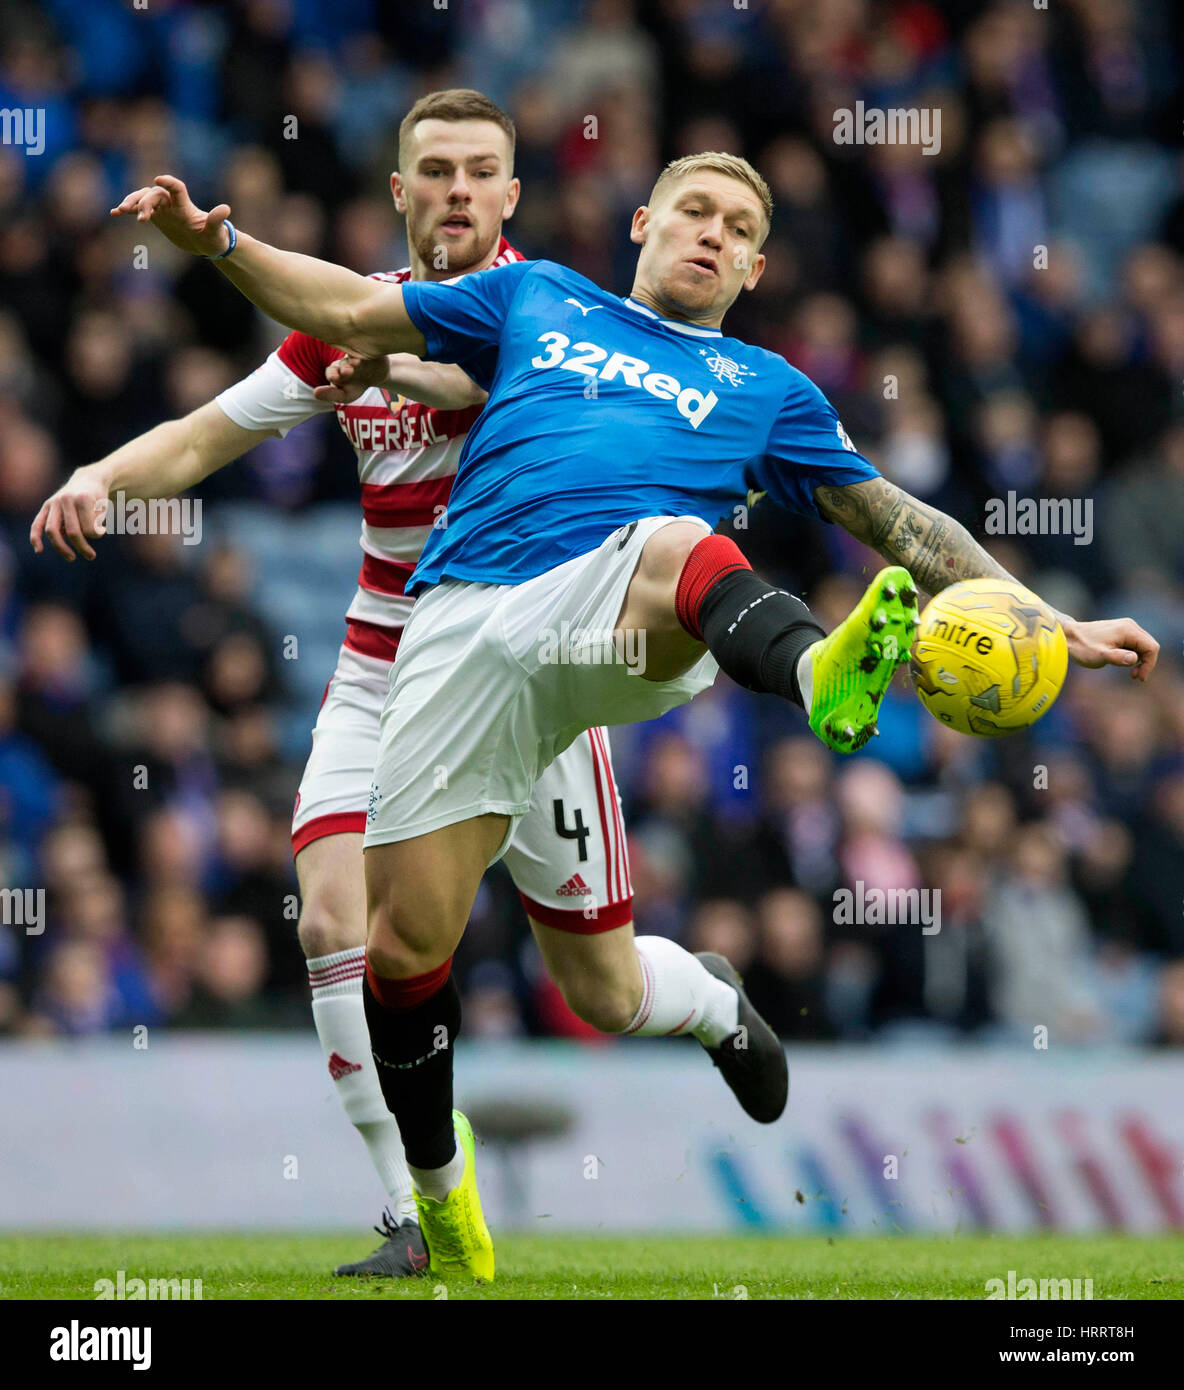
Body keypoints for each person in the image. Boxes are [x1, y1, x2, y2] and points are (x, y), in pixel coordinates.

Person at [109, 149, 1160, 1282]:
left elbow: (898, 522)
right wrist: (220, 245)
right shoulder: (534, 296)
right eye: (693, 211)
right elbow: (350, 308)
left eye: (737, 226)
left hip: (618, 619)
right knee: (431, 959)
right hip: (460, 632)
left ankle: (819, 678)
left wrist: (1044, 620)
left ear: (754, 266)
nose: (709, 232)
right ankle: (467, 1175)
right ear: (645, 221)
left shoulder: (767, 389)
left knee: (672, 543)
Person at [32, 90, 638, 1280]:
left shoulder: (556, 313)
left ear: (512, 196)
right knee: (328, 918)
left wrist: (416, 365)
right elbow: (208, 434)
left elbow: (512, 388)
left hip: (530, 680)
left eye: (480, 172)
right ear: (400, 192)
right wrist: (103, 471)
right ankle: (411, 1210)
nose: (458, 190)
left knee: (607, 986)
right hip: (383, 666)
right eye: (435, 171)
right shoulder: (340, 325)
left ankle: (711, 1006)